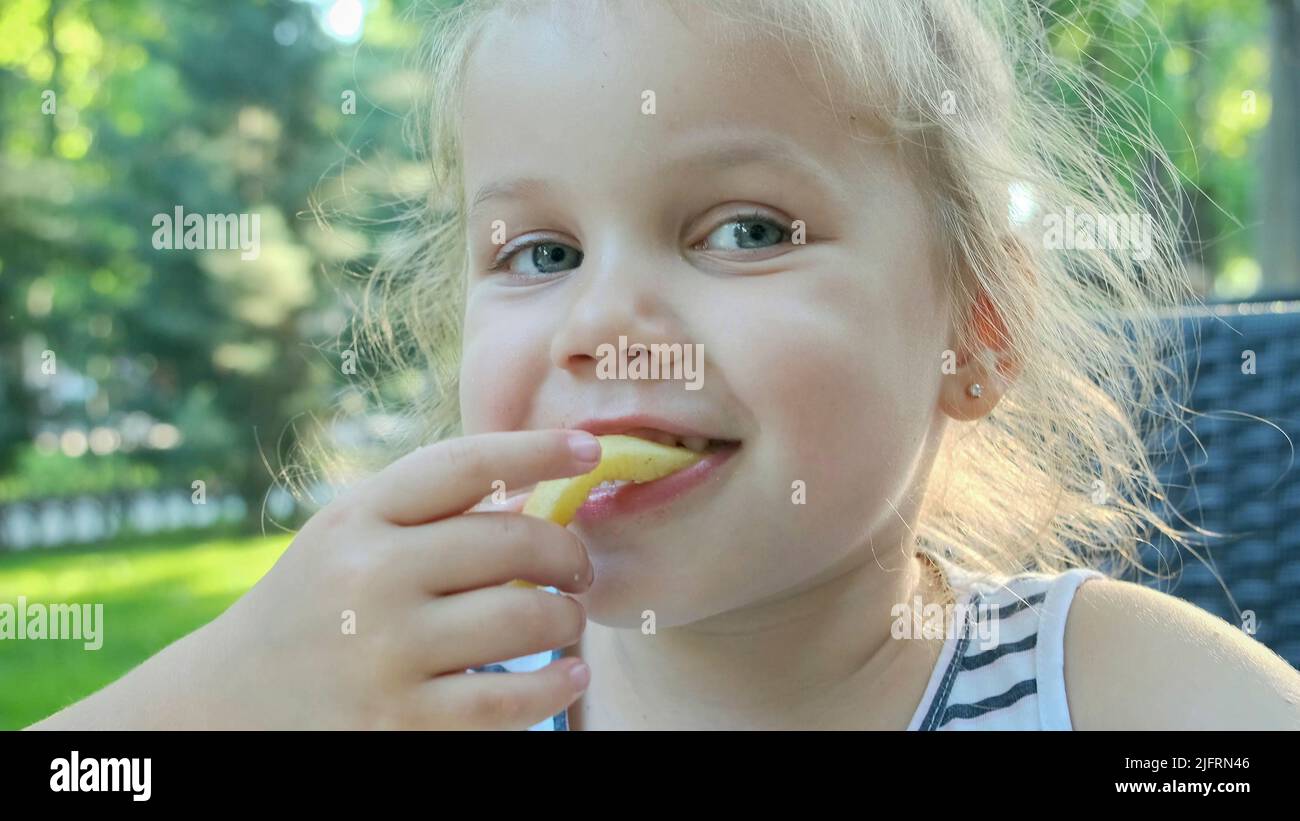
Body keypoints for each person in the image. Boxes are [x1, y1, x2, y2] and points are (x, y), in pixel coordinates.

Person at [31, 0, 1300, 730]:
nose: (600, 321)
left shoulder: (1124, 698)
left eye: (744, 230)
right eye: (538, 251)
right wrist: (220, 693)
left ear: (976, 329)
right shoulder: (425, 694)